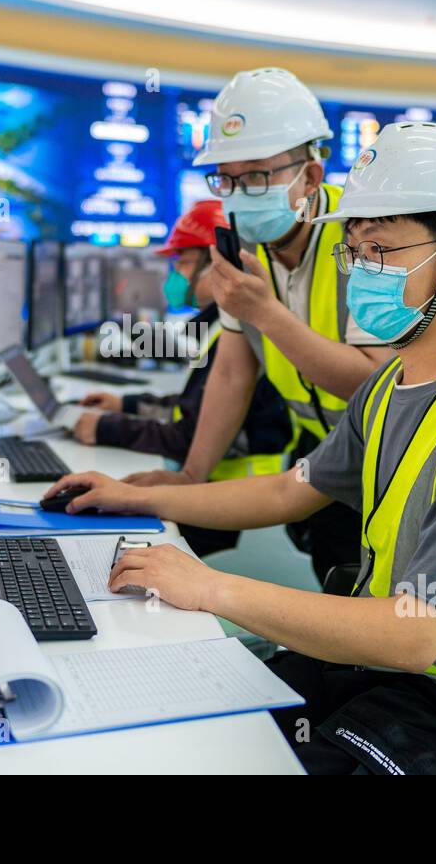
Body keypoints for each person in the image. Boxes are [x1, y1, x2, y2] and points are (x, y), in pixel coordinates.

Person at [45, 122, 436, 774]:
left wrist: (212, 587)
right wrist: (142, 494)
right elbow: (288, 489)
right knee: (199, 722)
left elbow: (415, 633)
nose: (365, 271)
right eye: (355, 251)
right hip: (393, 676)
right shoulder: (393, 382)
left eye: (385, 250)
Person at [123, 68, 391, 583]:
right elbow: (231, 374)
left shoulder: (365, 242)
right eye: (227, 178)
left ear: (310, 176)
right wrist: (190, 477)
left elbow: (371, 384)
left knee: (365, 617)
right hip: (323, 458)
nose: (239, 193)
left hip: (389, 461)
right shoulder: (243, 248)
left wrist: (266, 312)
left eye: (257, 177)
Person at [69, 200, 295, 556]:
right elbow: (190, 409)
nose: (175, 273)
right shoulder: (215, 324)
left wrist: (105, 428)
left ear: (218, 263)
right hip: (221, 486)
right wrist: (124, 404)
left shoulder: (236, 335)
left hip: (234, 502)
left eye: (183, 262)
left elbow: (187, 434)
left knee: (106, 540)